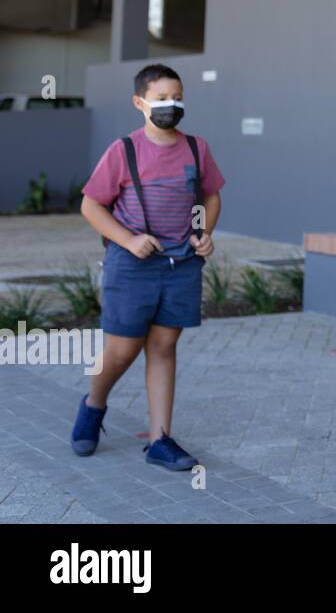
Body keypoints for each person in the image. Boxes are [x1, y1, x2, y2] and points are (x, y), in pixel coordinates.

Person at [73, 63, 225, 470]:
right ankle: (94, 404)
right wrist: (128, 239)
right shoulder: (123, 151)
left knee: (163, 347)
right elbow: (91, 204)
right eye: (161, 99)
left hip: (181, 264)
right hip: (131, 264)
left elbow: (210, 197)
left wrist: (203, 232)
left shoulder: (197, 148)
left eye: (177, 97)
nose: (170, 105)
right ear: (139, 103)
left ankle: (160, 440)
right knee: (122, 351)